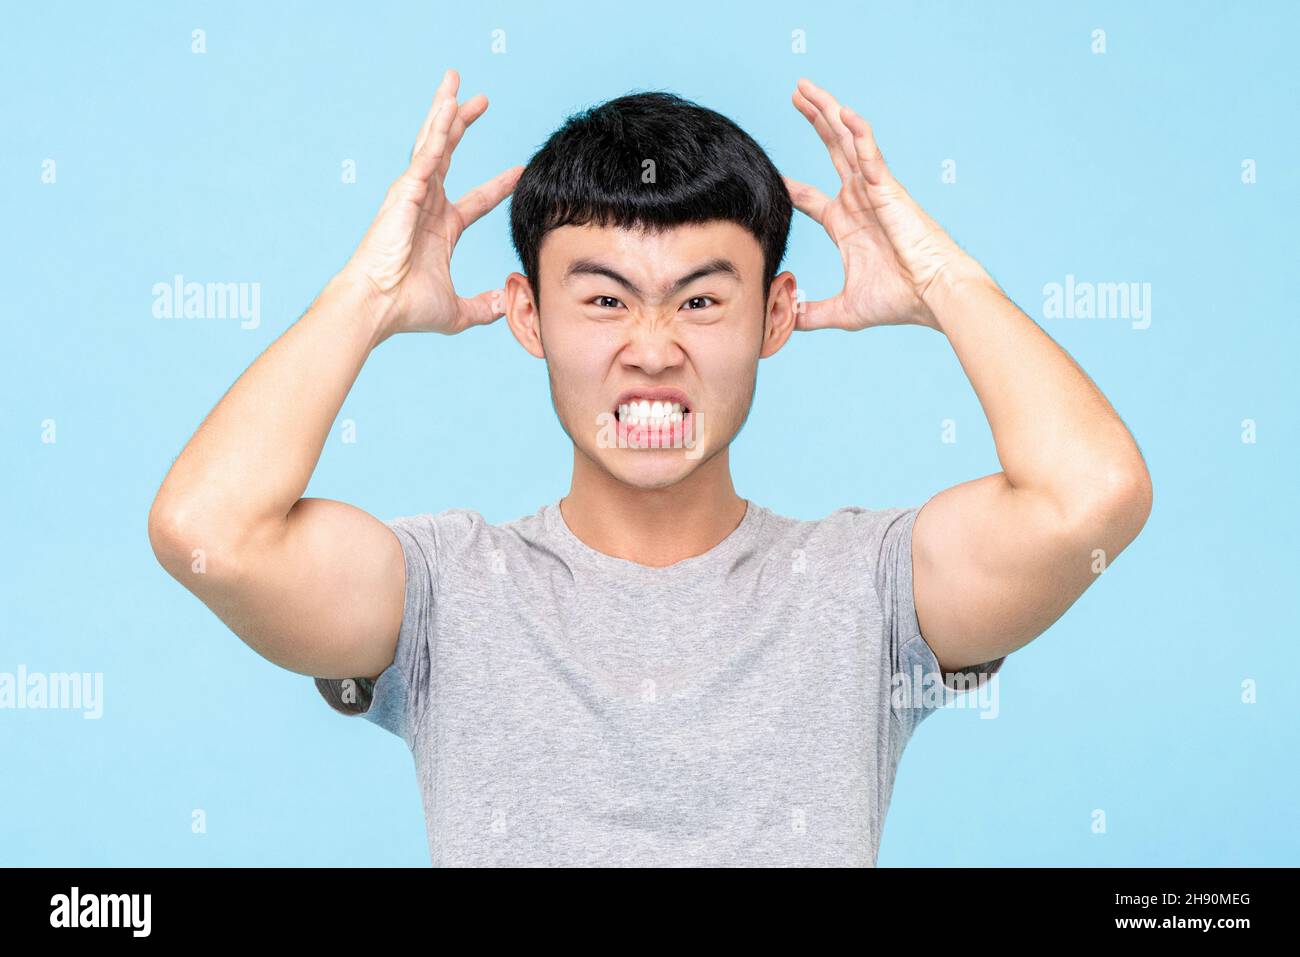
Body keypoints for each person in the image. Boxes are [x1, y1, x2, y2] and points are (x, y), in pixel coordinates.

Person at [147, 68, 1152, 866]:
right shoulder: (443, 595)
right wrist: (364, 297)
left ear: (777, 316)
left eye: (703, 301)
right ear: (527, 317)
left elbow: (1088, 501)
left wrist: (941, 280)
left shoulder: (870, 589)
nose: (654, 346)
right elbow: (210, 536)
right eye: (604, 300)